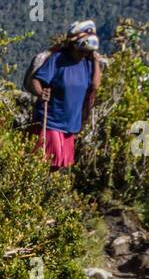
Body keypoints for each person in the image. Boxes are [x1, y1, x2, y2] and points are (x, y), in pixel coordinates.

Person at [28, 20, 103, 170]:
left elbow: (94, 85)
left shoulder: (87, 64)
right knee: (47, 163)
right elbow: (36, 81)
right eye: (82, 51)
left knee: (58, 166)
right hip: (51, 122)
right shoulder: (58, 60)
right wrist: (41, 93)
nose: (84, 54)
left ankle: (47, 192)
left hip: (70, 125)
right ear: (74, 46)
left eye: (87, 51)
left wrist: (95, 61)